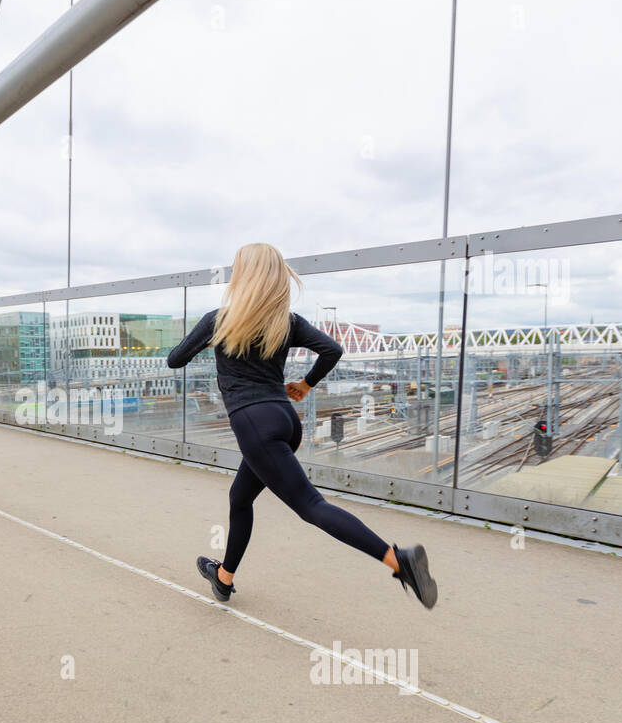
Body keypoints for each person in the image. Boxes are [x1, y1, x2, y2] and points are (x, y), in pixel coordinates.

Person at [166, 243, 437, 609]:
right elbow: (332, 350)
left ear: (242, 277)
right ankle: (224, 576)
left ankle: (397, 560)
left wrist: (211, 338)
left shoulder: (219, 320)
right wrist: (306, 384)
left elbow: (175, 360)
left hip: (253, 424)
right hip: (284, 420)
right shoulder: (287, 322)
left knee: (312, 506)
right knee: (239, 498)